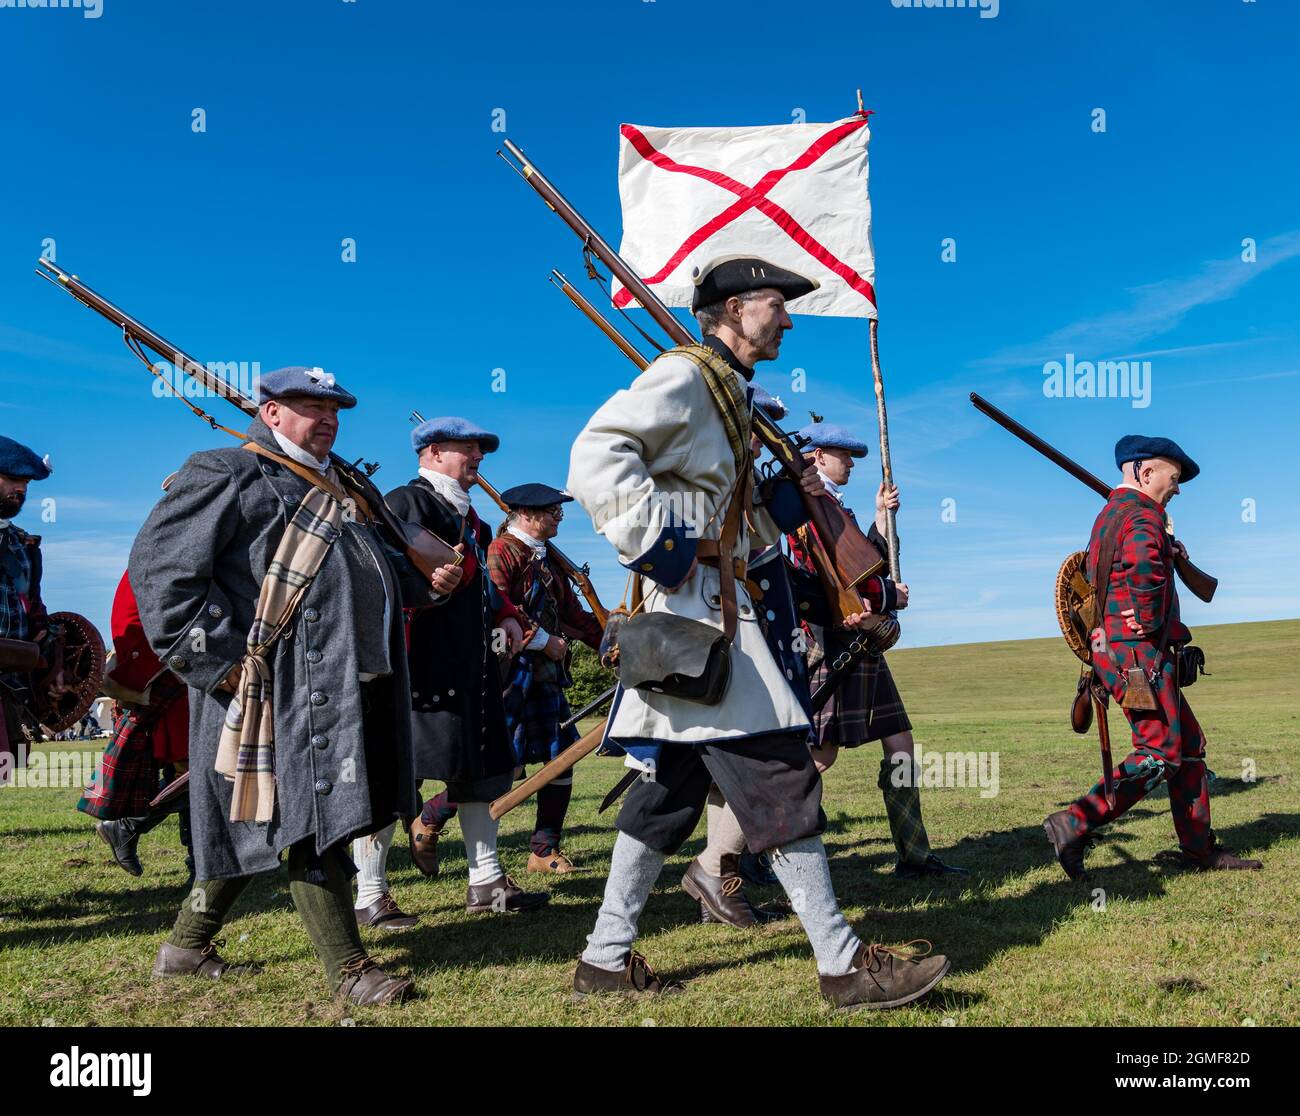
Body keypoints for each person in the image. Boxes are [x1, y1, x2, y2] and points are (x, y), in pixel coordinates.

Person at [566, 256, 950, 1010]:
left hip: (721, 615)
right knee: (781, 773)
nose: (788, 318)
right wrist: (668, 549)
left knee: (665, 798)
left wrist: (785, 499)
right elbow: (596, 456)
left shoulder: (729, 394)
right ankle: (842, 965)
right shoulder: (686, 376)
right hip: (704, 617)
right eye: (776, 303)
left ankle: (603, 960)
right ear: (736, 309)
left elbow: (731, 511)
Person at [129, 365, 426, 1004]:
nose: (327, 419)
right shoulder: (226, 472)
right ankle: (349, 969)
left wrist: (424, 581)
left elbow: (366, 572)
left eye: (334, 409)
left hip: (347, 680)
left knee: (272, 817)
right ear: (270, 413)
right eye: (308, 406)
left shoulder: (336, 486)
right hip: (278, 686)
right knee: (316, 817)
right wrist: (222, 665)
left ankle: (184, 948)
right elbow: (162, 575)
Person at [1043, 436, 1262, 879]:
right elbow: (1143, 573)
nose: (1176, 488)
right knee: (1159, 751)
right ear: (1144, 473)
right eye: (1173, 478)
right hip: (1139, 657)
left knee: (1188, 745)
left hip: (1124, 653)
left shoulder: (1115, 517)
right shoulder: (1142, 521)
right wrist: (1145, 615)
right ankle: (1075, 821)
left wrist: (1172, 550)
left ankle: (1198, 850)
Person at [787, 421, 965, 877]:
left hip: (862, 640)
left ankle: (914, 854)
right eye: (843, 455)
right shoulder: (809, 504)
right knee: (820, 755)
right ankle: (749, 849)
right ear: (817, 456)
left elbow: (864, 559)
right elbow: (837, 580)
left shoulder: (832, 505)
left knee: (900, 744)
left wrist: (881, 517)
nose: (850, 463)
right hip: (835, 639)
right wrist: (889, 597)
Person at [387, 418, 549, 915]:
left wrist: (507, 617)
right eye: (467, 449)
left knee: (482, 774)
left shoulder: (473, 520)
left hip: (470, 667)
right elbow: (385, 576)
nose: (477, 458)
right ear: (433, 452)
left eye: (481, 450)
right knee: (394, 780)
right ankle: (371, 895)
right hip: (418, 666)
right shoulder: (403, 503)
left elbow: (485, 586)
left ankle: (487, 885)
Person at [486, 483, 604, 873]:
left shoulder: (549, 560)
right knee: (504, 765)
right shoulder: (501, 550)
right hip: (512, 674)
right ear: (527, 514)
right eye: (553, 510)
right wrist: (543, 641)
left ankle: (543, 849)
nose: (560, 515)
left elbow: (574, 615)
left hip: (546, 676)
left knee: (562, 759)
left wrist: (612, 641)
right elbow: (498, 606)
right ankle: (432, 818)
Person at [79, 570, 193, 885]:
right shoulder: (168, 551)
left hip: (171, 661)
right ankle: (130, 826)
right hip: (166, 664)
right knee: (196, 768)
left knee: (189, 769)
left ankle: (199, 864)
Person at [0, 435, 54, 778]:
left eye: (25, 482)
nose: (21, 488)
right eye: (12, 479)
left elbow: (32, 607)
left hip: (9, 677)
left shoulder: (23, 544)